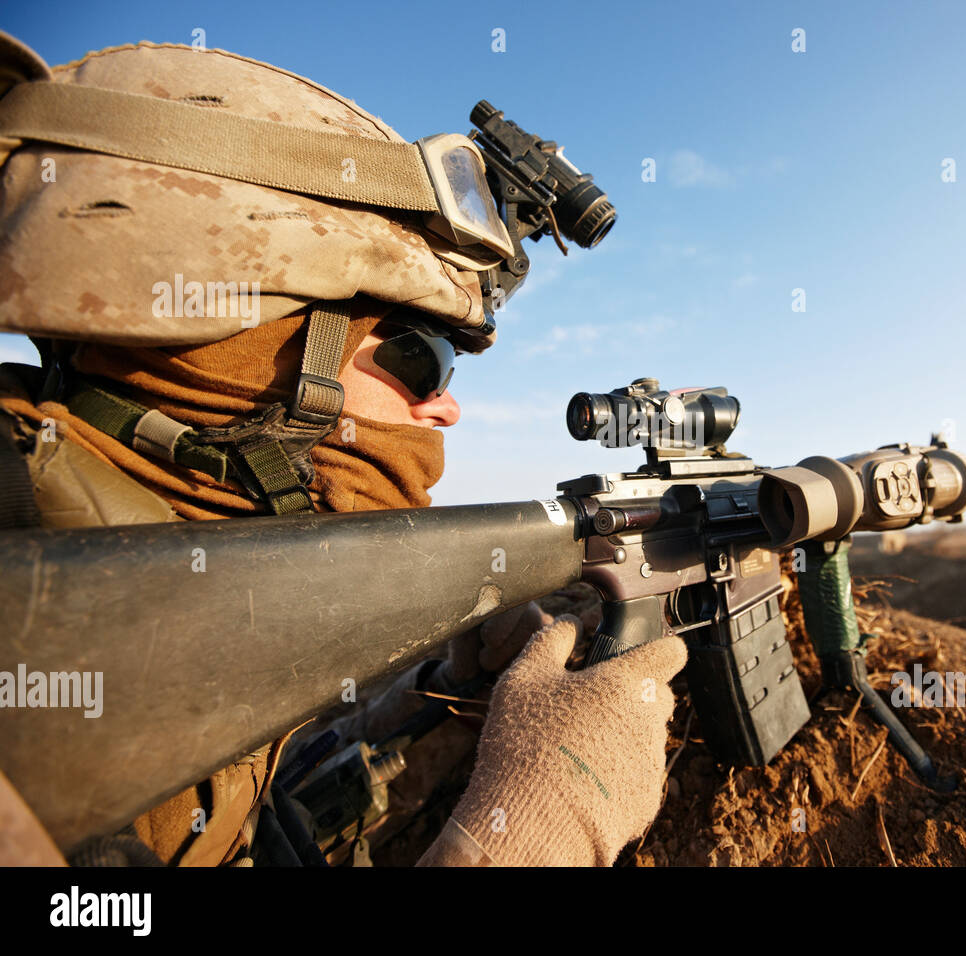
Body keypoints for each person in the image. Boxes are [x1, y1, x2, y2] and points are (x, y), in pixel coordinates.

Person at [0, 31, 686, 867]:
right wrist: (540, 824)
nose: (448, 409)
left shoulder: (144, 561)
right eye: (417, 356)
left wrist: (418, 695)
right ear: (237, 353)